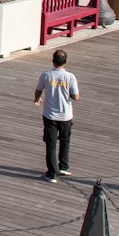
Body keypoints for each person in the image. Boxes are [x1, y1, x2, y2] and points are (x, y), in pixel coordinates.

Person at [30, 49, 79, 179]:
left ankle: (51, 173)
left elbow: (38, 90)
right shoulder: (70, 77)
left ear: (53, 61)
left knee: (50, 144)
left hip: (50, 115)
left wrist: (37, 99)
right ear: (65, 62)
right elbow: (76, 96)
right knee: (65, 141)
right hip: (66, 115)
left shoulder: (46, 75)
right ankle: (64, 166)